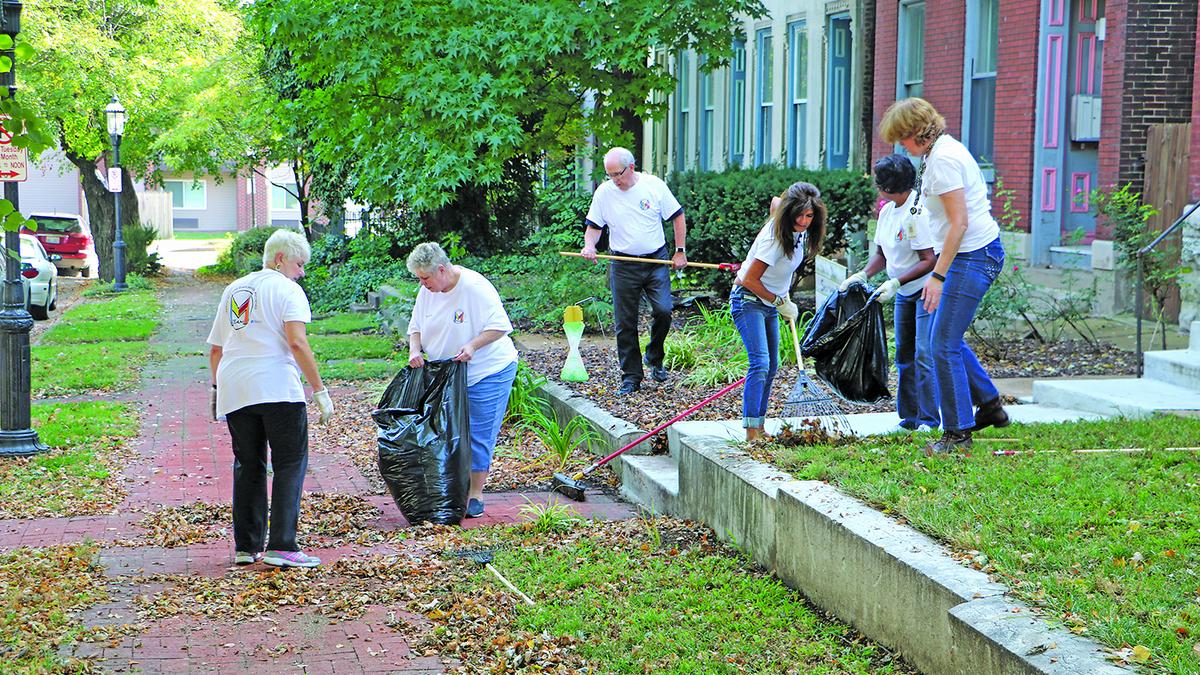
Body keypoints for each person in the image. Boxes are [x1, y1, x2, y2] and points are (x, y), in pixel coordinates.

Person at [879, 97, 1010, 454]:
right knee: (945, 337)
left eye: (902, 138)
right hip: (969, 256)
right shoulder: (937, 155)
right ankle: (990, 406)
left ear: (916, 133)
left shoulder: (944, 161)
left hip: (973, 256)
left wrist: (937, 276)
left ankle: (956, 433)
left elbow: (960, 223)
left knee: (942, 345)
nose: (901, 146)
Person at [207, 229, 334, 569]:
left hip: (235, 385)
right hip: (277, 386)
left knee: (248, 464)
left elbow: (216, 348)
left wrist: (217, 389)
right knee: (290, 462)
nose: (301, 272)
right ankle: (283, 545)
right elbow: (297, 343)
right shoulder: (288, 289)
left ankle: (246, 546)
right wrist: (319, 390)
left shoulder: (234, 289)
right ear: (280, 259)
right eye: (298, 264)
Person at [406, 242, 519, 519]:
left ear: (442, 269)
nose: (422, 284)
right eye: (419, 279)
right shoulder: (427, 291)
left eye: (425, 278)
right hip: (448, 373)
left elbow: (500, 326)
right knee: (449, 430)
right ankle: (452, 486)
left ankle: (475, 494)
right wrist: (414, 349)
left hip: (487, 370)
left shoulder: (475, 287)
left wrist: (473, 345)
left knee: (478, 431)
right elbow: (416, 326)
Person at [841, 154, 939, 432]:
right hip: (903, 293)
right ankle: (909, 419)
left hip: (924, 291)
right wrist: (863, 275)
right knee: (903, 355)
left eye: (879, 182)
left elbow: (928, 260)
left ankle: (929, 421)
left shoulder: (915, 213)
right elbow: (881, 254)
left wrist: (895, 283)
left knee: (923, 354)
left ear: (888, 185)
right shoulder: (887, 211)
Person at [581, 147, 688, 395]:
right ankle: (631, 377)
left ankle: (654, 356)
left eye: (617, 174)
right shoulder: (604, 193)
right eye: (610, 175)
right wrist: (590, 246)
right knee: (624, 322)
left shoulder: (654, 186)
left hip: (655, 261)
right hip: (622, 263)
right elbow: (594, 226)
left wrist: (680, 250)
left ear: (631, 167)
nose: (614, 180)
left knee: (664, 310)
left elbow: (678, 216)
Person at [731, 182, 826, 441]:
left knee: (772, 365)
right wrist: (779, 301)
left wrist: (778, 300)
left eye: (809, 216)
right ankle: (751, 432)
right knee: (760, 363)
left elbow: (775, 201)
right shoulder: (774, 239)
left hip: (770, 301)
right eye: (799, 215)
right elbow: (749, 279)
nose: (804, 221)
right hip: (749, 299)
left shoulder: (796, 227)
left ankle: (760, 427)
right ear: (788, 213)